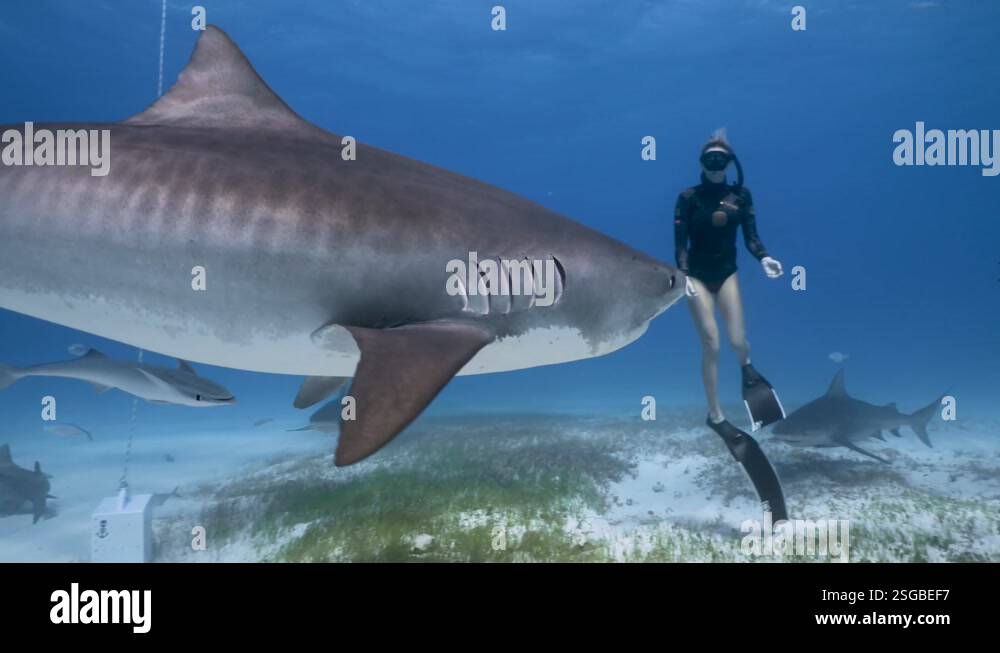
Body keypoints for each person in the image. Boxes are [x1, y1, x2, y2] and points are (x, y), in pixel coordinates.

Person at [674, 130, 788, 518]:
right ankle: (716, 415)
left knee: (739, 344)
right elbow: (681, 243)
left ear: (731, 164)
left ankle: (750, 378)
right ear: (702, 163)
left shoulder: (743, 197)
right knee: (712, 344)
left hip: (727, 274)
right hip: (697, 278)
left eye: (722, 159)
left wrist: (766, 258)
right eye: (710, 159)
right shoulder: (688, 198)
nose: (716, 165)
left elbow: (752, 237)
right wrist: (683, 273)